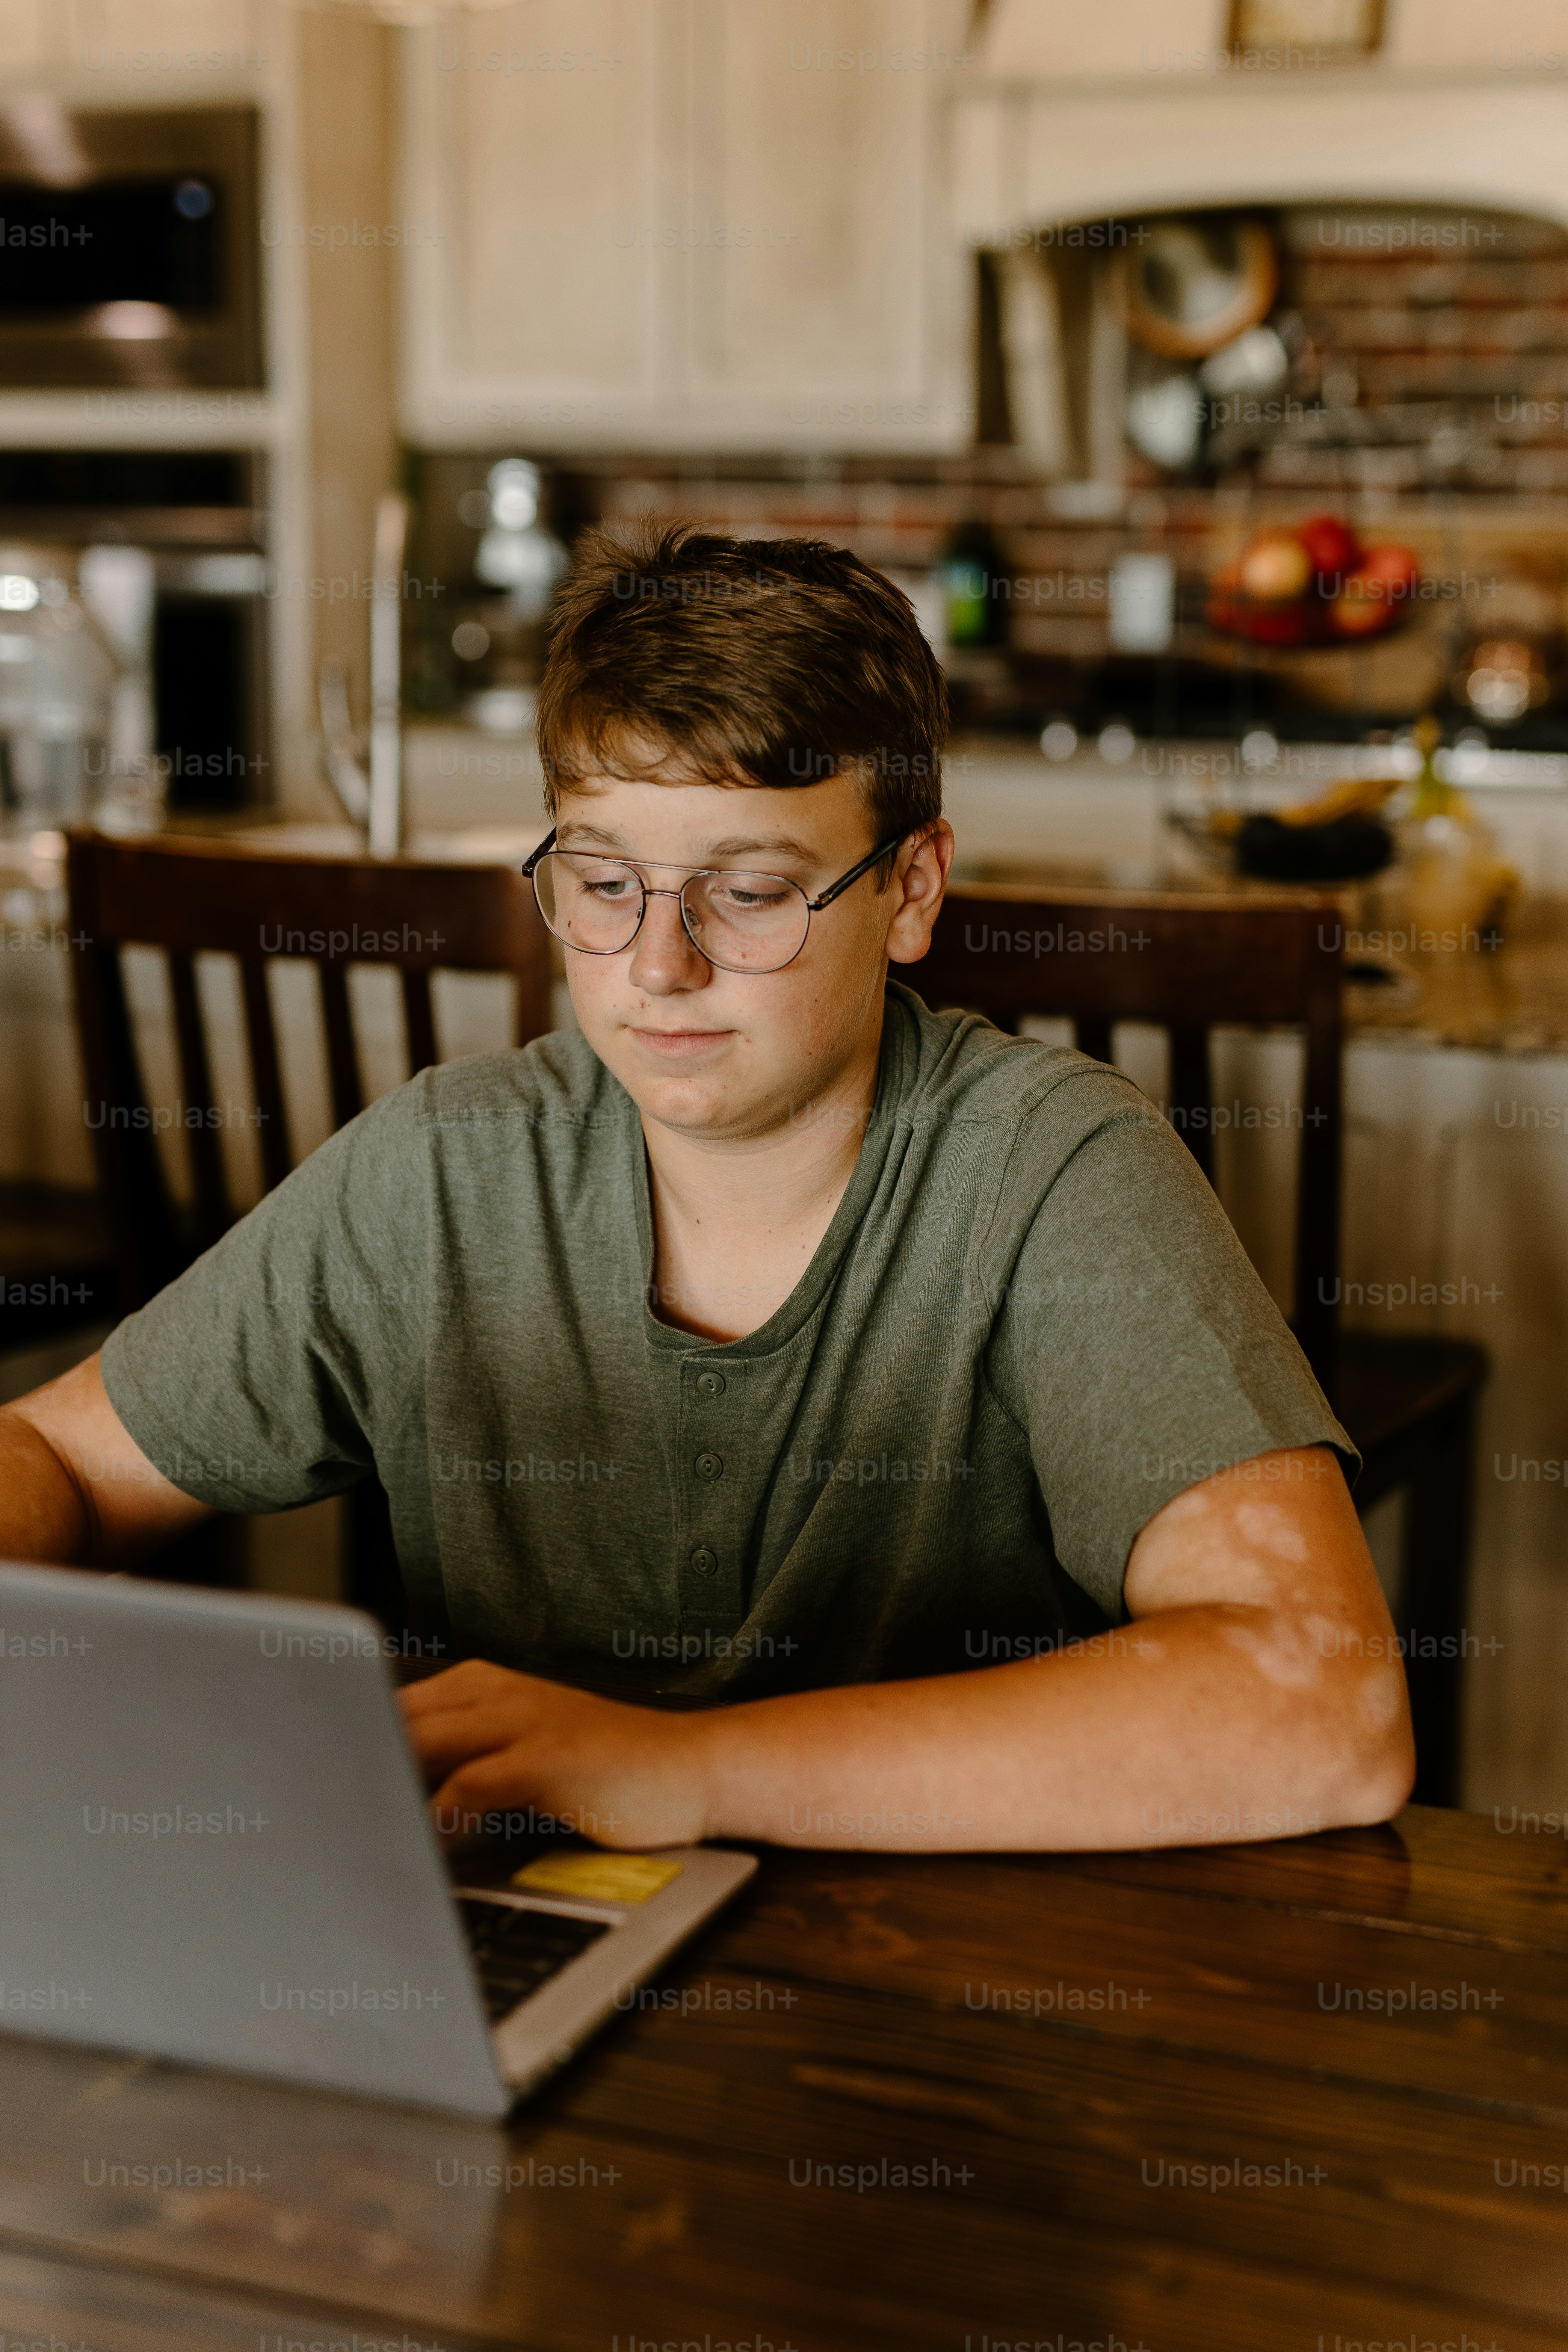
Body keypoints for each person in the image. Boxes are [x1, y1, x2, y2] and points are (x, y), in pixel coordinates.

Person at [0, 521, 1414, 1853]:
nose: (658, 965)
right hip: (512, 1944)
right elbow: (56, 1457)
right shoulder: (446, 1169)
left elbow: (1325, 1708)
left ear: (910, 890)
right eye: (604, 881)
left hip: (948, 2031)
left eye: (748, 892)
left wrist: (673, 1766)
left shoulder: (1053, 1175)